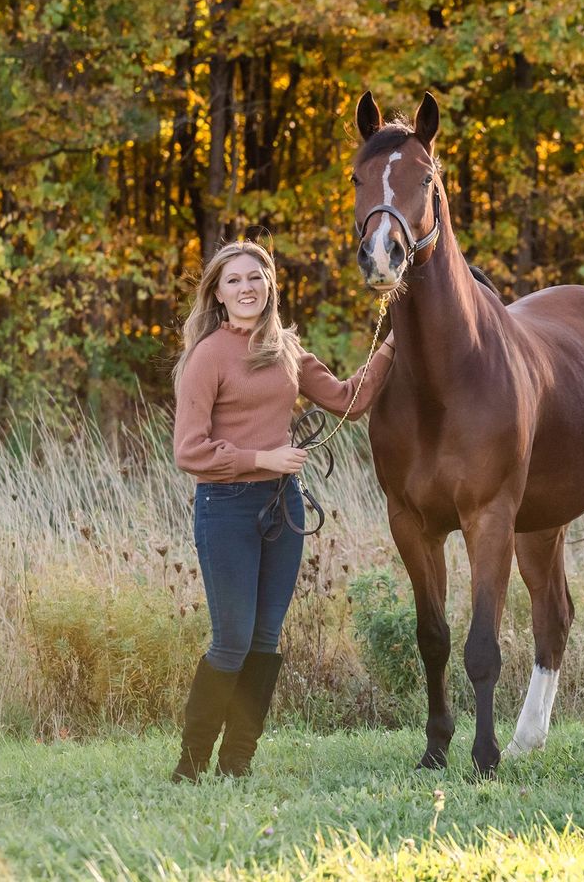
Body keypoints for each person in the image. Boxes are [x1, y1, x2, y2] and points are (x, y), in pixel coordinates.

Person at [170, 240, 395, 782]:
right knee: (232, 639)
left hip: (282, 508)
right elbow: (188, 450)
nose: (246, 287)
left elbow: (348, 399)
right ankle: (191, 766)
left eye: (256, 277)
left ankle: (236, 764)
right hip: (225, 508)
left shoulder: (287, 348)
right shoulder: (208, 356)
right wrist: (260, 457)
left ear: (270, 285)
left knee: (267, 639)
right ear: (218, 295)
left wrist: (389, 344)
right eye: (233, 280)